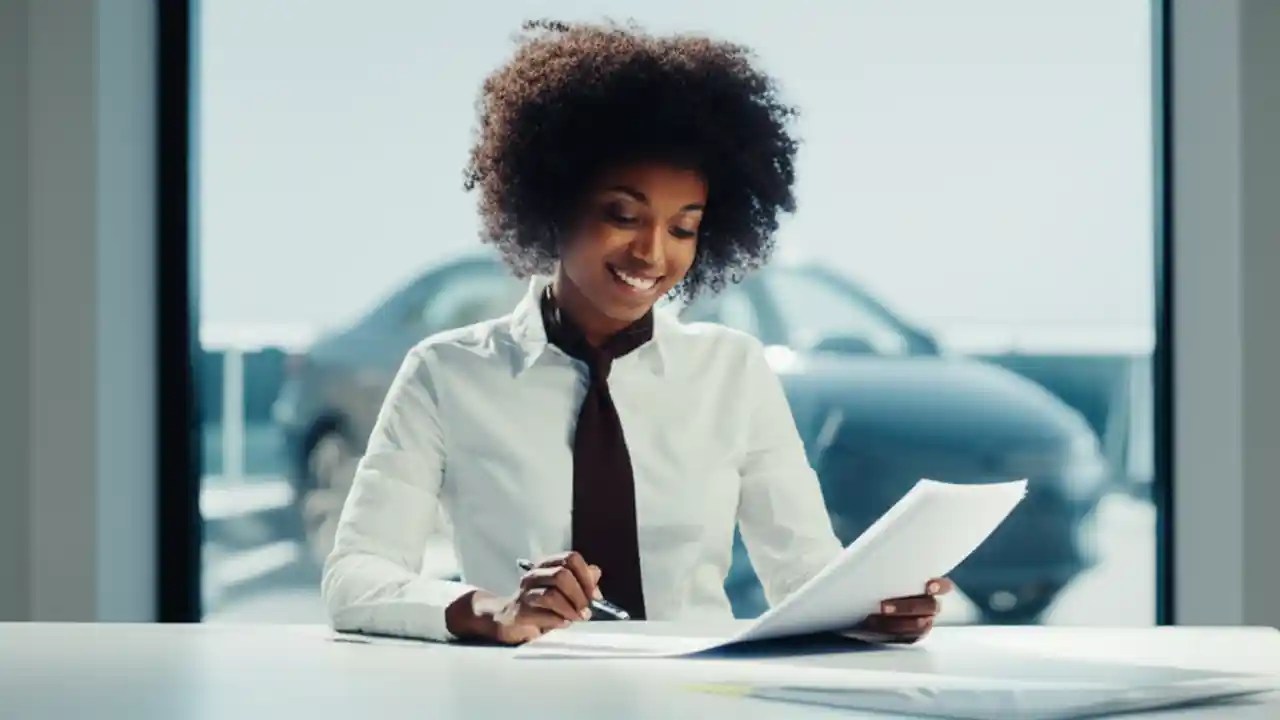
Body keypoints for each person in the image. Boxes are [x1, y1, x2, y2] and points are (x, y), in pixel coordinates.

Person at [322, 19, 951, 645]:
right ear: (554, 202)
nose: (652, 253)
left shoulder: (732, 370)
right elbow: (355, 576)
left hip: (699, 696)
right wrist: (489, 609)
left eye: (683, 228)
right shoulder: (447, 371)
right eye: (622, 215)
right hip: (520, 697)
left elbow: (805, 573)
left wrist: (873, 607)